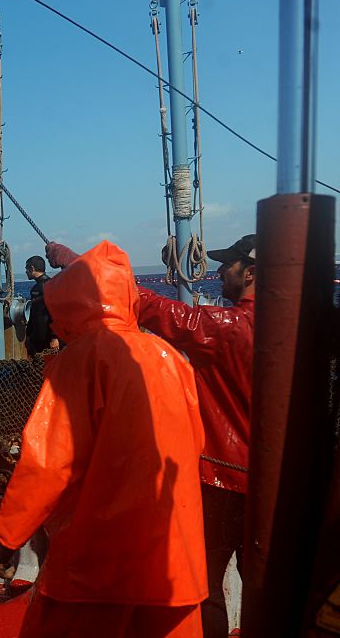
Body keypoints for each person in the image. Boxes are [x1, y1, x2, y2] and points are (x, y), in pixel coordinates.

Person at [0, 240, 207, 638]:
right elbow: (197, 444)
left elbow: (48, 463)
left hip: (96, 569)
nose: (52, 321)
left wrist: (6, 539)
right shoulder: (171, 359)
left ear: (73, 303)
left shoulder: (80, 361)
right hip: (175, 565)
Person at [133, 234, 255, 637]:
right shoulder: (297, 326)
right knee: (266, 588)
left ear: (251, 273)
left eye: (229, 265)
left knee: (205, 586)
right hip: (278, 488)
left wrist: (99, 276)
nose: (220, 270)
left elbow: (166, 315)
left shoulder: (230, 330)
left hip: (222, 483)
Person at [24, 255, 58, 356]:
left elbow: (55, 313)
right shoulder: (36, 288)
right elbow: (33, 314)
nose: (26, 272)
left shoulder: (49, 286)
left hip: (47, 338)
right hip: (37, 338)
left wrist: (54, 337)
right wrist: (28, 334)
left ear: (32, 268)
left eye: (26, 269)